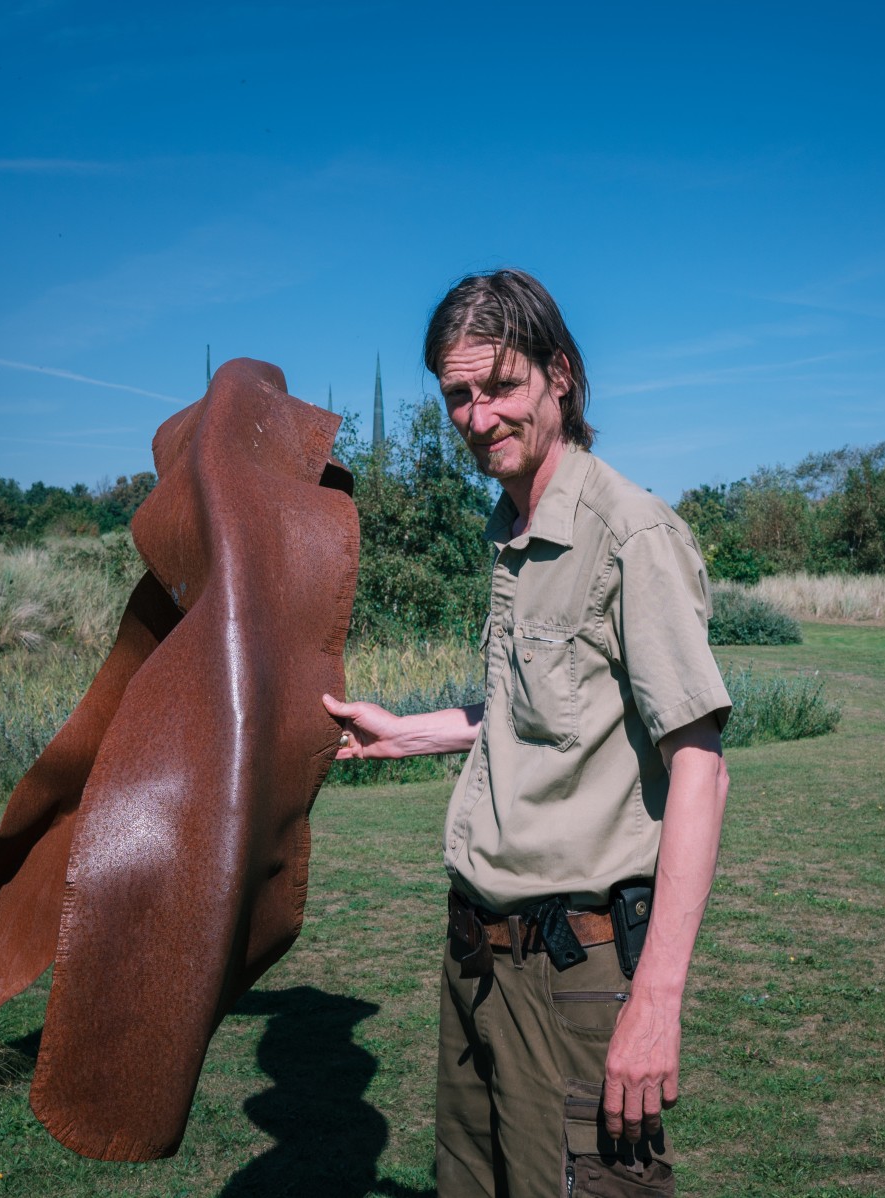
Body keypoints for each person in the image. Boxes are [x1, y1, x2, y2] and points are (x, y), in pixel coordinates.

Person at [323, 269, 730, 1198]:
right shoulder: (512, 525)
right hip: (477, 957)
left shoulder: (629, 535)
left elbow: (700, 769)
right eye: (457, 396)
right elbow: (532, 715)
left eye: (498, 387)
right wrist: (403, 734)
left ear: (561, 378)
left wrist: (656, 1003)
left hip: (575, 969)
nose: (476, 417)